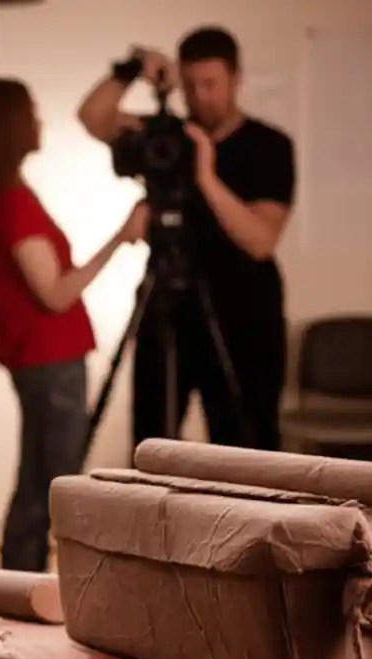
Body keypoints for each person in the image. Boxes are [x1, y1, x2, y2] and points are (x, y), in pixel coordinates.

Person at [0, 78, 147, 572]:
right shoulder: (14, 204)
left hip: (40, 360)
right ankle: (27, 588)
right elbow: (56, 293)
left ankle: (18, 585)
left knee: (38, 484)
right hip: (49, 361)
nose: (39, 122)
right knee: (54, 488)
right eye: (32, 112)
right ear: (9, 127)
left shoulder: (7, 196)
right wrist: (121, 237)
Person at [77, 27, 296, 452]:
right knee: (152, 448)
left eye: (211, 84)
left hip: (245, 316)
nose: (200, 96)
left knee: (247, 452)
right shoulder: (165, 138)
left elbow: (261, 241)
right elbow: (93, 117)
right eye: (191, 85)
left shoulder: (270, 146)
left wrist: (206, 177)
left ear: (237, 80)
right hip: (167, 307)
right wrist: (134, 66)